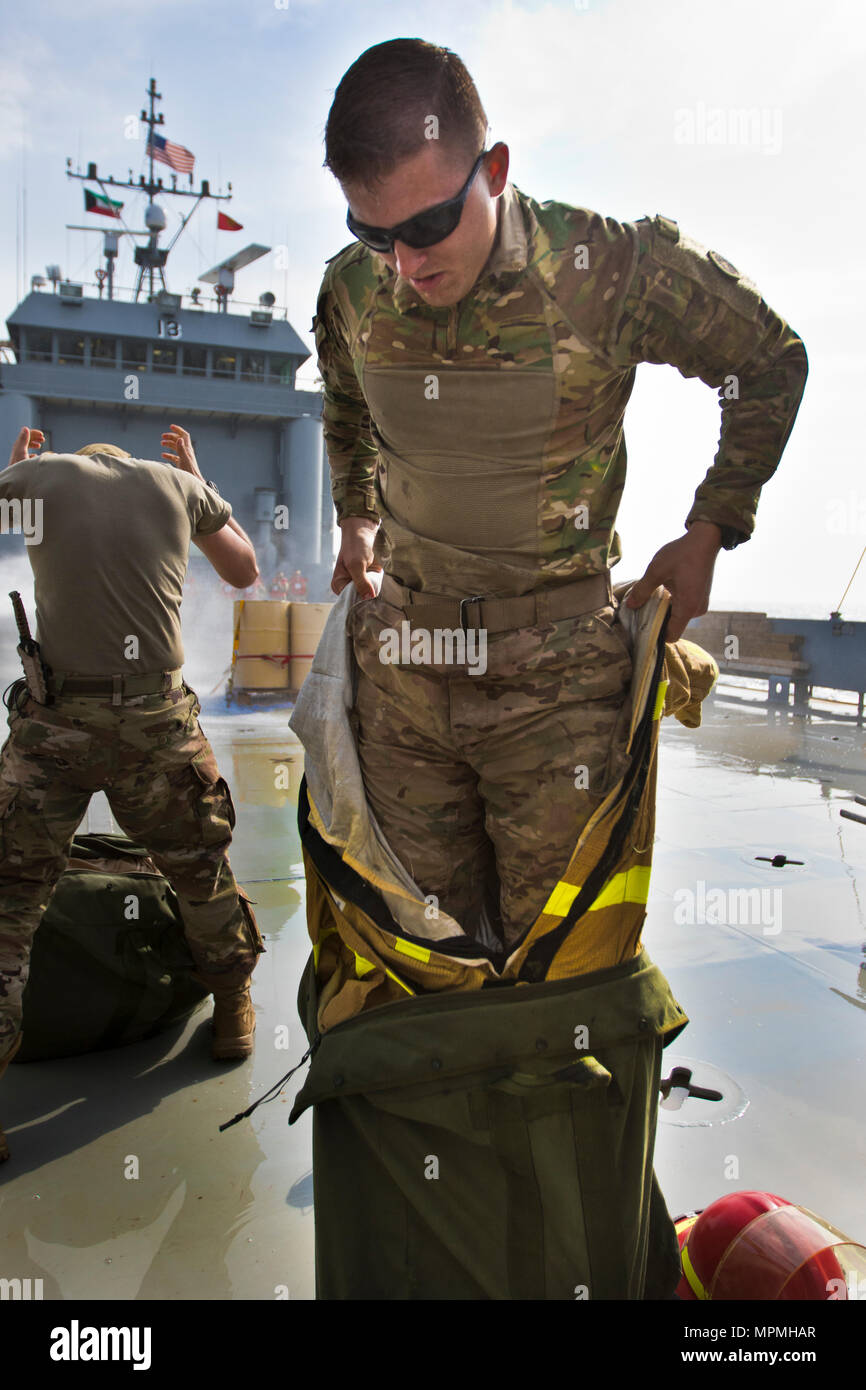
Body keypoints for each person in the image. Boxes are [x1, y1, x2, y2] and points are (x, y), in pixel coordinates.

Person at [304, 37, 808, 1296]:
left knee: (567, 993)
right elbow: (344, 405)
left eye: (428, 224)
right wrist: (355, 513)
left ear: (496, 168)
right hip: (408, 676)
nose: (407, 265)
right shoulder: (352, 291)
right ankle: (456, 1238)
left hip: (559, 687)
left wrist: (709, 529)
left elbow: (770, 358)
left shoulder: (609, 269)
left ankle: (570, 1249)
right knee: (417, 973)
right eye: (377, 237)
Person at [0, 423, 265, 1164]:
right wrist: (205, 486)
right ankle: (233, 1013)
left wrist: (16, 471)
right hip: (157, 724)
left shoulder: (40, 480)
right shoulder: (177, 485)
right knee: (199, 873)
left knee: (10, 898)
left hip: (57, 726)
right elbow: (243, 571)